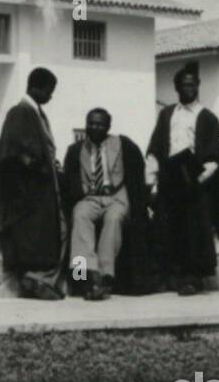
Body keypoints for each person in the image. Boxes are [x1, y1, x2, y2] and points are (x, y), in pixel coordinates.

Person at [145, 68, 219, 295]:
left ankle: (193, 278)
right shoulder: (166, 114)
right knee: (167, 228)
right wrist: (152, 181)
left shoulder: (208, 117)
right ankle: (171, 277)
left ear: (197, 87)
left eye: (192, 85)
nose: (189, 89)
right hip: (170, 180)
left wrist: (197, 178)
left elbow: (216, 157)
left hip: (197, 183)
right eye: (184, 85)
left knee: (195, 230)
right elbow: (156, 148)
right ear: (176, 88)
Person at [60, 108, 151, 300]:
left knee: (114, 218)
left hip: (116, 196)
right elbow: (69, 180)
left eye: (100, 124)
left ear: (108, 126)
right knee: (80, 215)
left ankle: (104, 276)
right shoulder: (76, 149)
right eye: (91, 123)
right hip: (90, 197)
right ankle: (84, 276)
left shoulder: (123, 144)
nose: (95, 127)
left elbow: (137, 173)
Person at [0, 67, 66, 299]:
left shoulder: (34, 113)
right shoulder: (21, 112)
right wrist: (39, 167)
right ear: (37, 87)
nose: (50, 96)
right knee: (38, 239)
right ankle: (35, 281)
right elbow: (17, 153)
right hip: (28, 193)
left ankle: (42, 281)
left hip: (40, 188)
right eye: (49, 91)